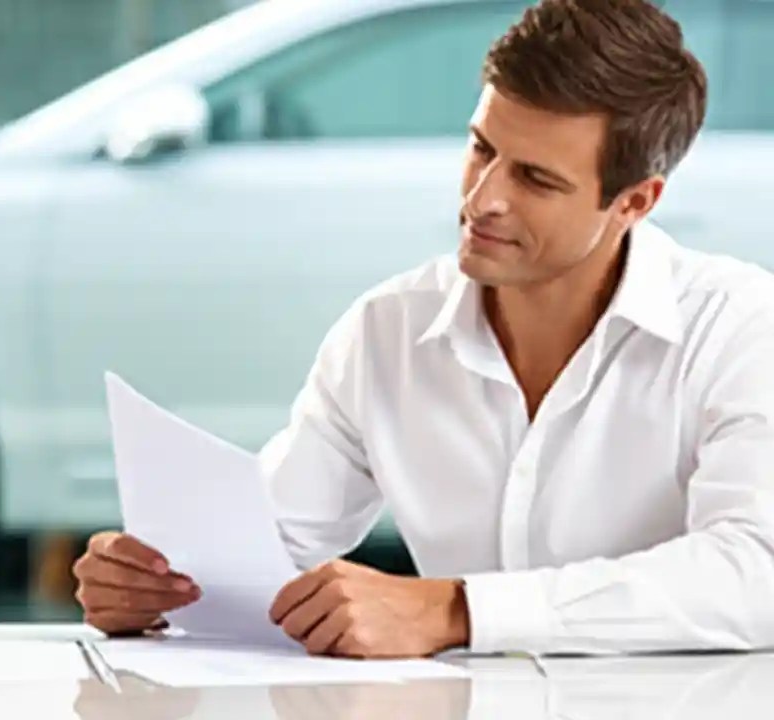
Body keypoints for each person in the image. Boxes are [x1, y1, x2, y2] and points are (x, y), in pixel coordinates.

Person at [73, 0, 774, 658]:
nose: (482, 198)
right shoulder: (386, 333)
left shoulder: (740, 327)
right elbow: (264, 549)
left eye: (534, 178)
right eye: (481, 148)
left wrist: (457, 611)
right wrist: (153, 585)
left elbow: (755, 574)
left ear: (633, 202)